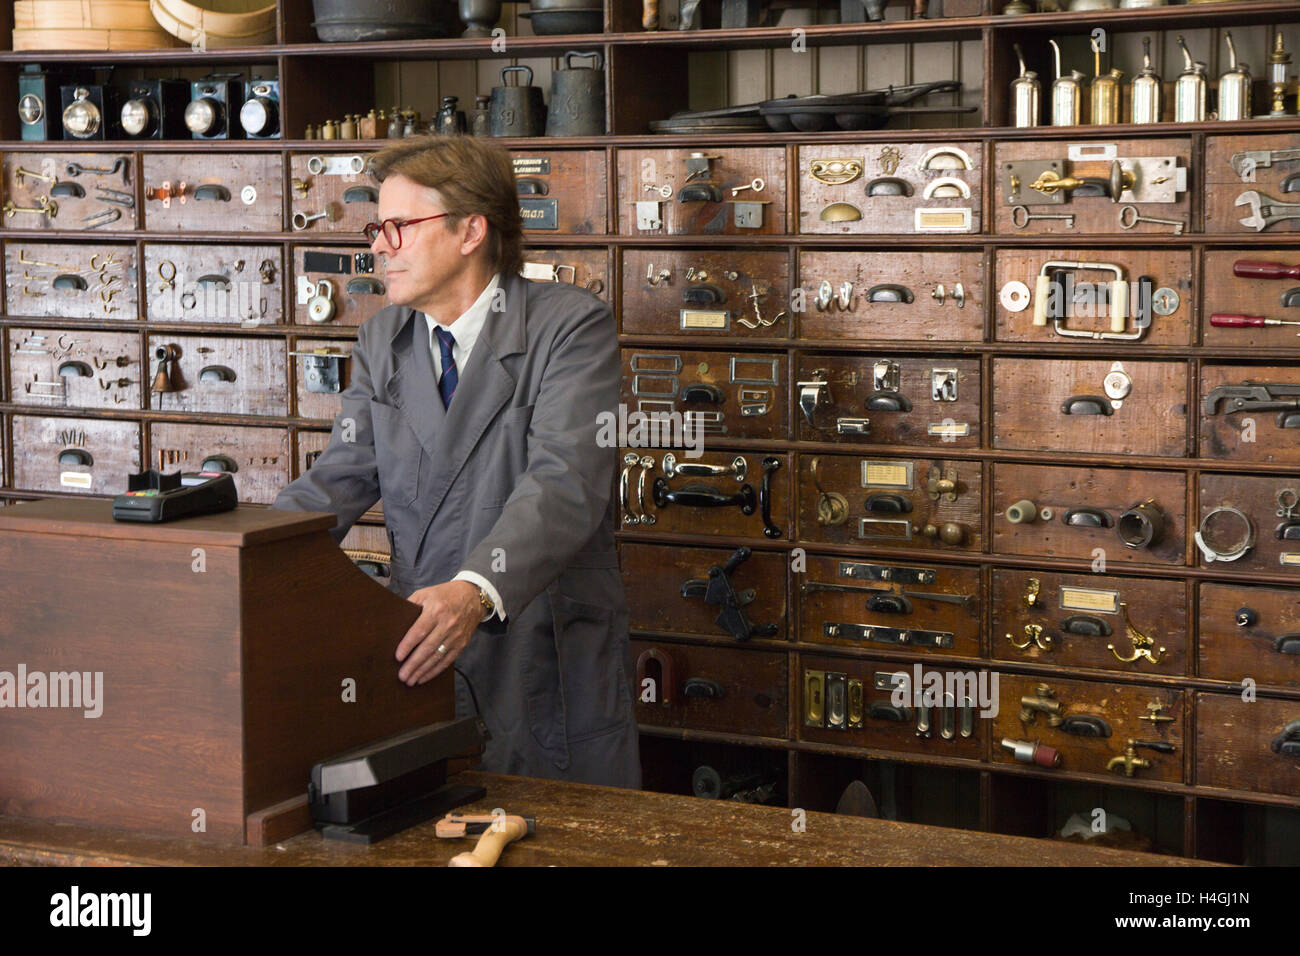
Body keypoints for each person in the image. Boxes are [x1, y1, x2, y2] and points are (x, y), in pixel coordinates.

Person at [274, 136, 640, 789]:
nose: (379, 246)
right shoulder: (384, 337)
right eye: (376, 228)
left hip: (539, 647)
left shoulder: (568, 327)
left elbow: (566, 482)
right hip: (421, 640)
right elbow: (339, 478)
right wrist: (244, 554)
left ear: (471, 230)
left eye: (398, 227)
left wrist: (474, 591)